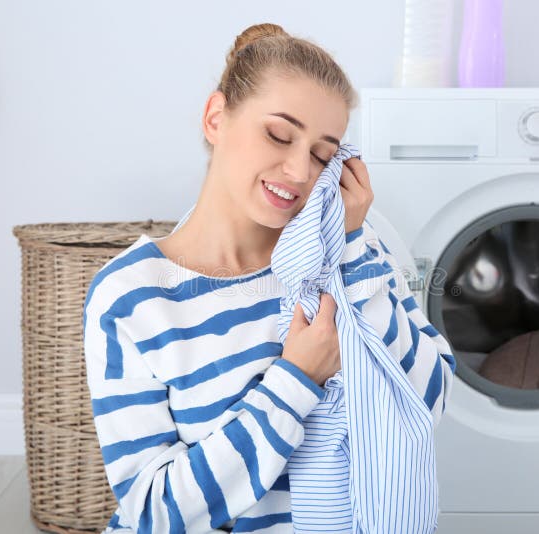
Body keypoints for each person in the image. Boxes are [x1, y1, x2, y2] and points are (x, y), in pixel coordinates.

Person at [83, 22, 455, 534]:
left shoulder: (349, 254)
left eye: (323, 154)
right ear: (216, 118)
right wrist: (295, 381)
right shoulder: (131, 296)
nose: (301, 171)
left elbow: (427, 402)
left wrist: (346, 250)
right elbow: (154, 511)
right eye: (279, 135)